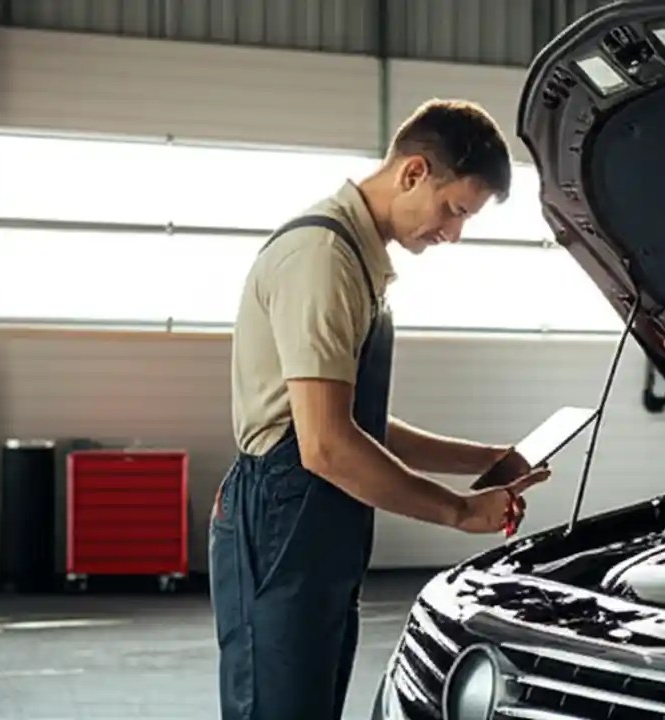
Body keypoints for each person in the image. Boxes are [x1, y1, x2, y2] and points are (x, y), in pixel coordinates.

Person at [209, 98, 552, 720]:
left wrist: (487, 460)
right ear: (414, 173)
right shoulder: (322, 259)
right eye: (454, 211)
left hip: (315, 523)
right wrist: (457, 510)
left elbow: (358, 424)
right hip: (282, 522)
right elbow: (326, 446)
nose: (453, 234)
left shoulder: (360, 261)